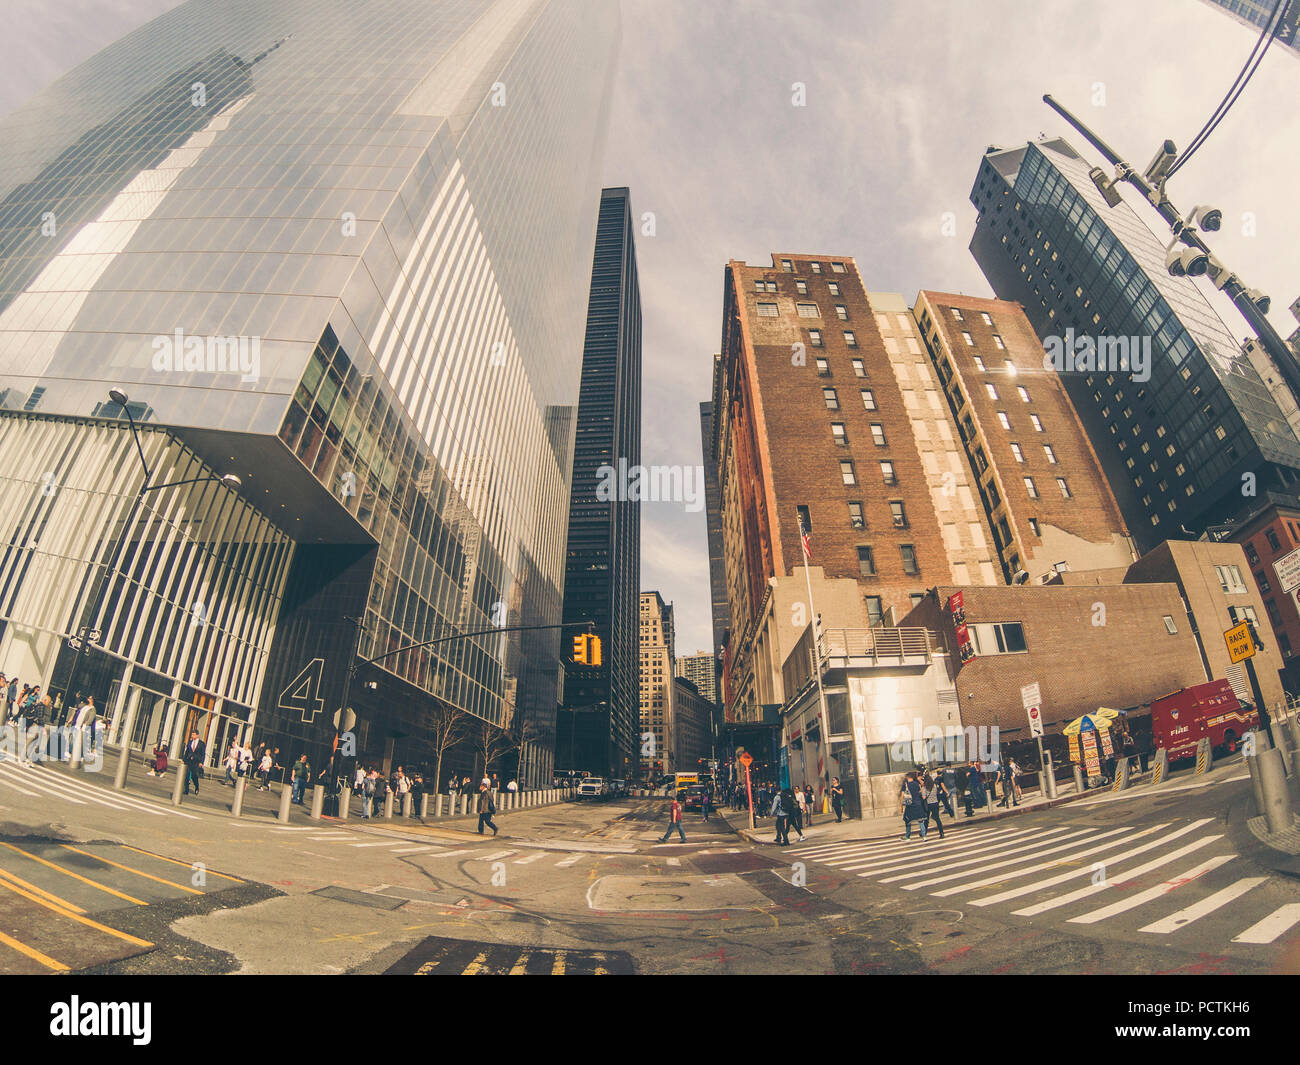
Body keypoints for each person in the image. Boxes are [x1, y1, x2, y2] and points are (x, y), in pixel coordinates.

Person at [900, 771, 928, 840]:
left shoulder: (905, 785)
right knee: (920, 820)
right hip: (918, 804)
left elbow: (902, 796)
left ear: (907, 777)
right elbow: (920, 791)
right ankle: (924, 836)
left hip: (910, 805)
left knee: (907, 820)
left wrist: (901, 806)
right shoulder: (916, 784)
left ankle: (907, 836)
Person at [181, 729, 205, 796]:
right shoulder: (190, 742)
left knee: (194, 776)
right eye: (192, 734)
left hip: (196, 762)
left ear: (197, 735)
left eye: (193, 734)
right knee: (187, 776)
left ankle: (197, 787)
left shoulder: (201, 744)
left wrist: (201, 762)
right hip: (189, 761)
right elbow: (187, 752)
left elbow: (203, 754)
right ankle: (186, 790)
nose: (192, 736)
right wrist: (184, 760)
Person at [923, 772, 946, 839]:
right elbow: (936, 793)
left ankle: (924, 832)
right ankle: (941, 833)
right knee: (937, 819)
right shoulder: (934, 786)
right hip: (935, 803)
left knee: (926, 819)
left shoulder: (924, 787)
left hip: (928, 804)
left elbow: (924, 797)